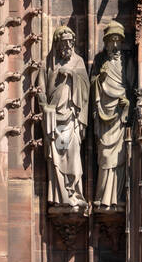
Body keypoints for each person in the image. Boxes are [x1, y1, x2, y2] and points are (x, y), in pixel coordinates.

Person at [36, 27, 90, 208]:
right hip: (55, 121)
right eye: (63, 43)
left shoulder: (79, 62)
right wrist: (46, 108)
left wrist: (72, 75)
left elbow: (85, 89)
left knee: (73, 156)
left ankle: (73, 192)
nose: (67, 46)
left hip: (72, 118)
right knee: (57, 158)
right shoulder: (47, 64)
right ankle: (60, 196)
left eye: (70, 42)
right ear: (57, 44)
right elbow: (41, 91)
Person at [91, 23, 135, 208]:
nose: (115, 45)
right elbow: (92, 87)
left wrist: (128, 104)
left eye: (118, 41)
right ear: (106, 43)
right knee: (105, 157)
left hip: (120, 117)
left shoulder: (127, 63)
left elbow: (134, 91)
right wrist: (99, 80)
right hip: (105, 118)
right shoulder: (101, 64)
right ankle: (103, 196)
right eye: (111, 41)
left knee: (119, 157)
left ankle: (116, 197)